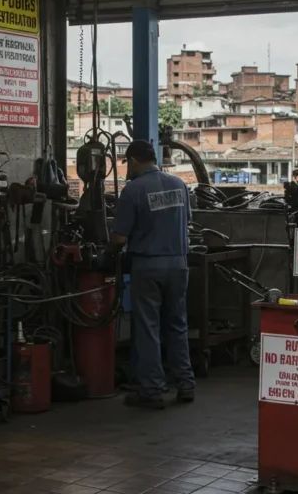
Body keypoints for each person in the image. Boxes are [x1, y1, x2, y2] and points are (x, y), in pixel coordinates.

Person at [108, 140, 195, 409]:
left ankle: (152, 390)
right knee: (177, 325)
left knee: (148, 329)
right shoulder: (178, 184)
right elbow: (187, 222)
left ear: (133, 160)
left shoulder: (133, 190)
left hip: (148, 266)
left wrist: (107, 251)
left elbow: (120, 238)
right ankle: (185, 385)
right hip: (179, 264)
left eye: (128, 164)